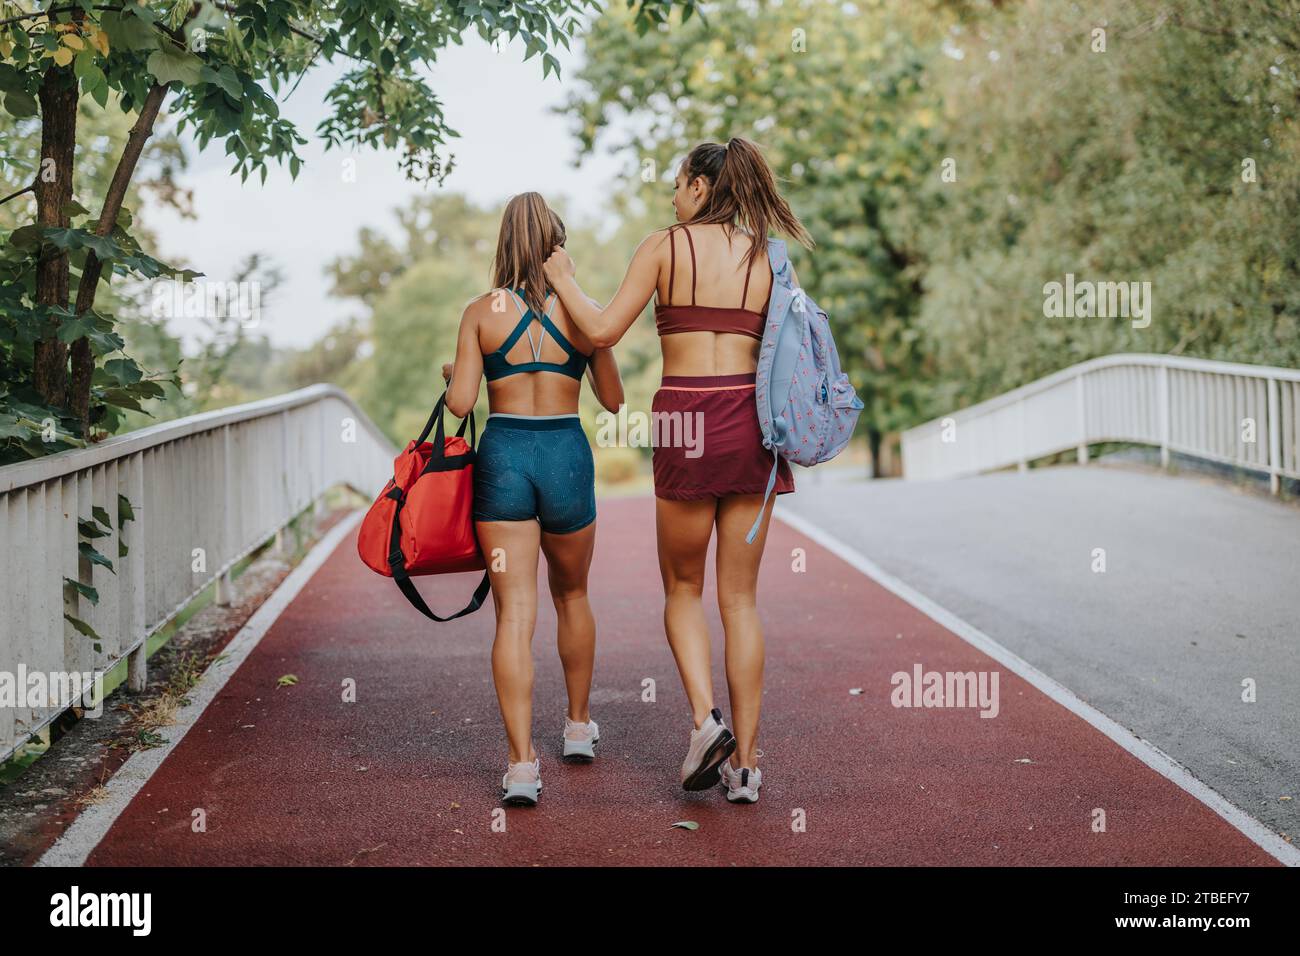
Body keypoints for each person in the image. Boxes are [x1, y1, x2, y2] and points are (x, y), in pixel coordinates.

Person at [542, 138, 814, 804]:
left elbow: (602, 331)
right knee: (741, 600)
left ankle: (704, 723)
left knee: (683, 588)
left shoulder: (664, 247)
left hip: (685, 421)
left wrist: (563, 278)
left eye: (676, 183)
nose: (671, 196)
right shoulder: (768, 256)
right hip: (752, 425)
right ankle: (745, 768)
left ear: (698, 186)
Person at [444, 192, 623, 807]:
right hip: (565, 455)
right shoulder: (585, 312)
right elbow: (614, 400)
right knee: (572, 595)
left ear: (503, 244)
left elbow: (461, 406)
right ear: (555, 245)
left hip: (505, 461)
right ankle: (577, 727)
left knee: (514, 616)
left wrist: (455, 374)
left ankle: (521, 766)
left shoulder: (480, 312)